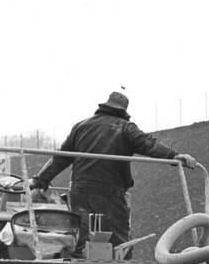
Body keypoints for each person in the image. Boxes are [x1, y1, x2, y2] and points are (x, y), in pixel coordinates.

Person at [29, 91, 197, 254]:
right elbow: (148, 144)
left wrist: (40, 180)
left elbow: (60, 158)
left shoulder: (81, 126)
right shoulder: (125, 127)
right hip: (110, 192)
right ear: (123, 111)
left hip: (80, 191)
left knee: (83, 237)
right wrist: (174, 156)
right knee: (118, 239)